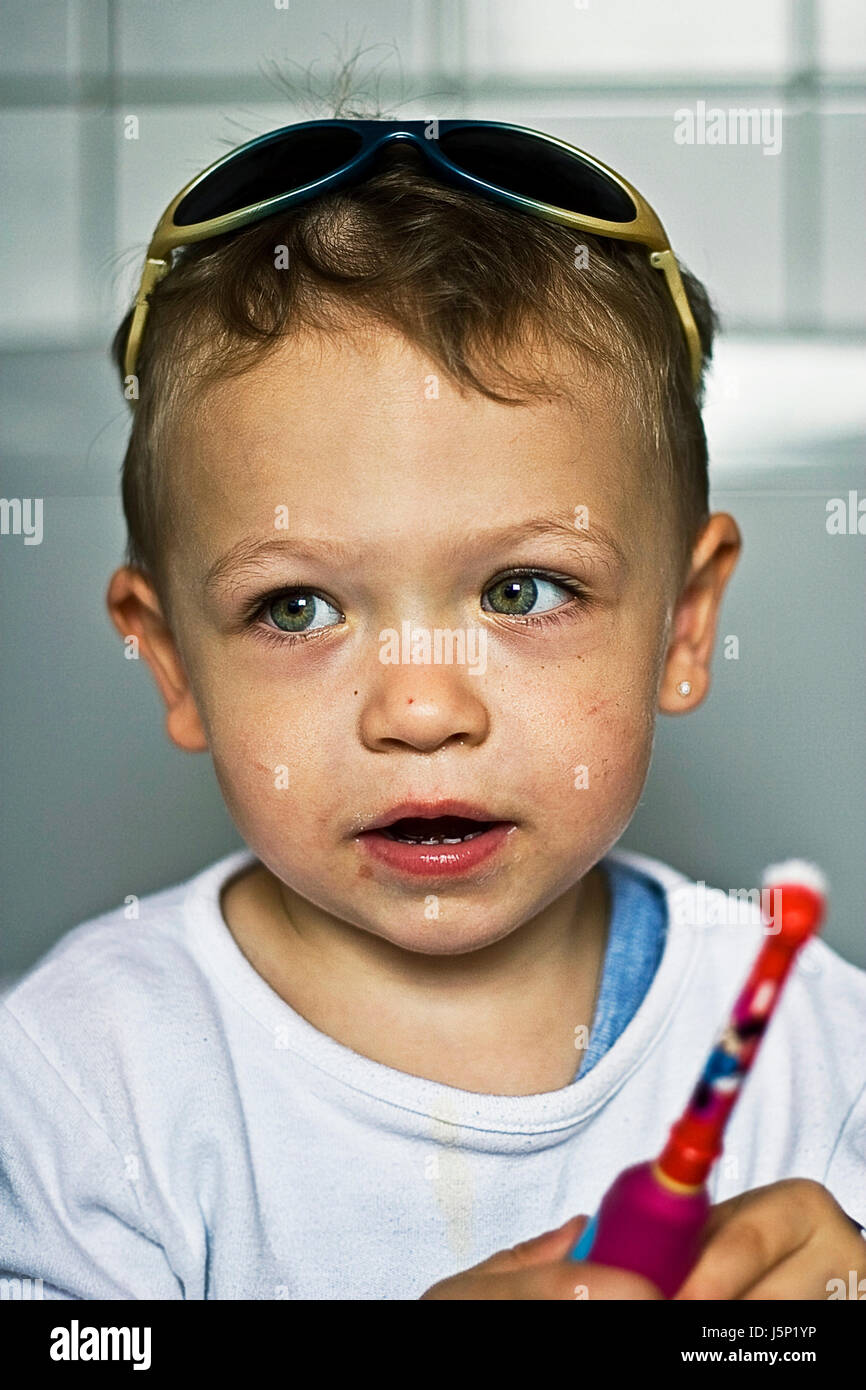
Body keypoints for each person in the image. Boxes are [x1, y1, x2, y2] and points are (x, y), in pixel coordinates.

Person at [1, 116, 863, 1301]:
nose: (417, 707)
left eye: (522, 590)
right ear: (170, 662)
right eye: (297, 608)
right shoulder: (81, 1080)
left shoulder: (814, 1049)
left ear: (683, 622)